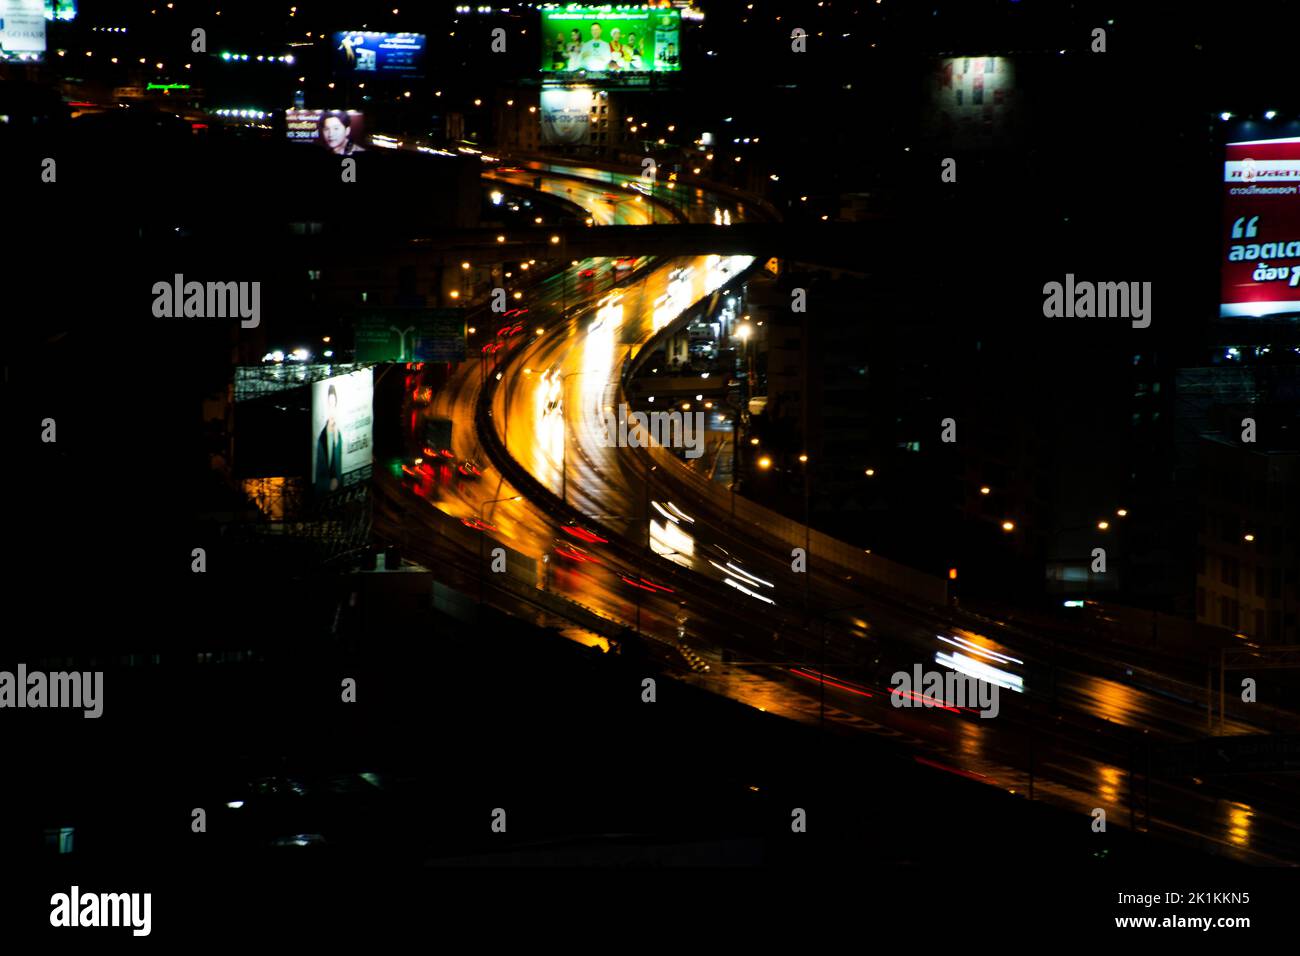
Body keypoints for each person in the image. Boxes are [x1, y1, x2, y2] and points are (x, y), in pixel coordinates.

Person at [316, 384, 344, 493]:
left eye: (334, 404)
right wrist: (328, 484)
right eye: (329, 405)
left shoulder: (339, 437)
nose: (332, 409)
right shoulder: (321, 439)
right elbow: (318, 477)